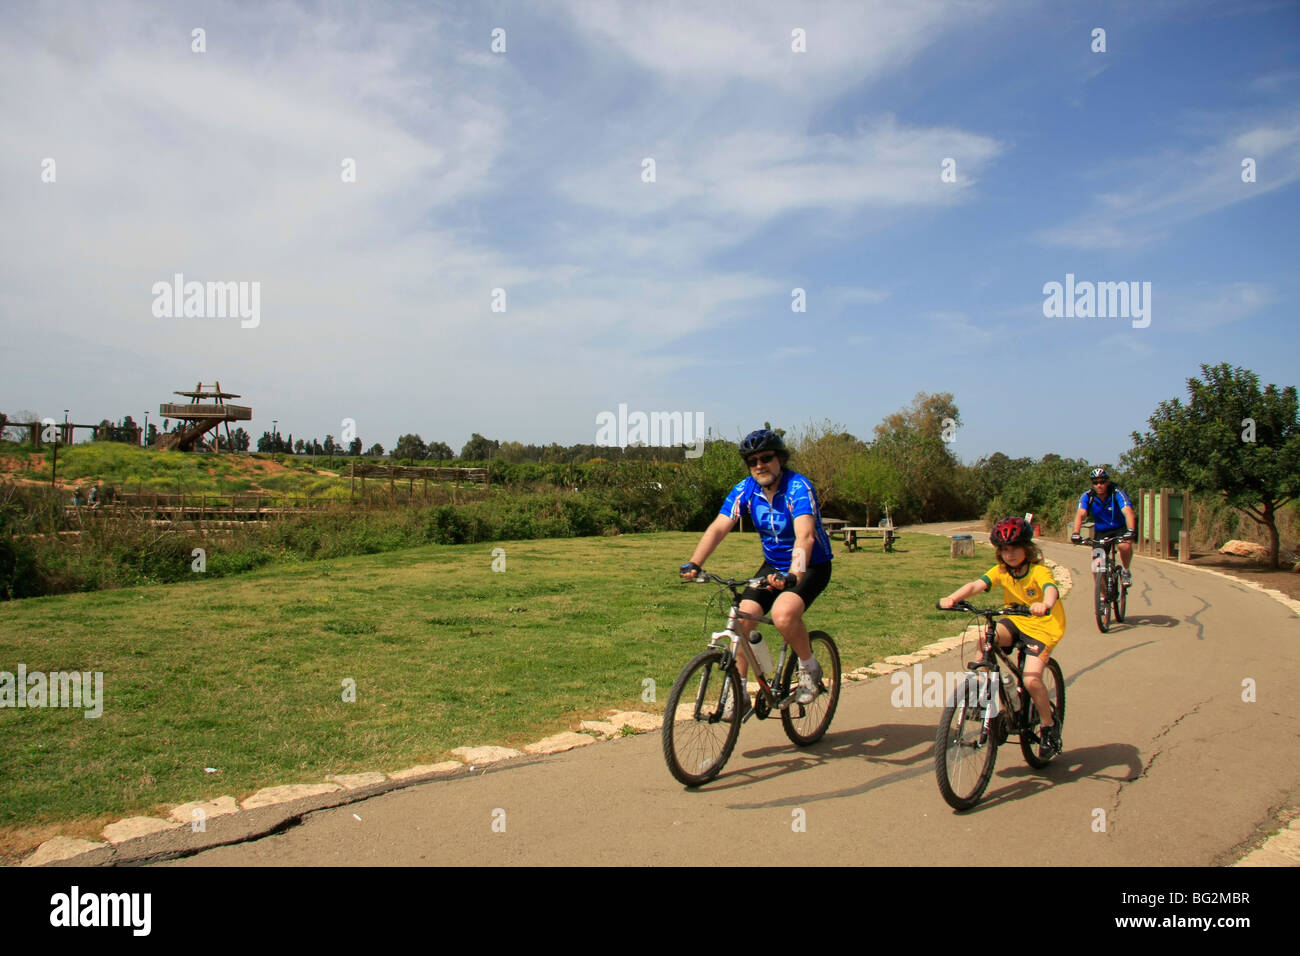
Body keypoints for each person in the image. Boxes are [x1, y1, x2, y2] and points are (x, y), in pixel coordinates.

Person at [679, 429, 834, 712]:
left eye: (766, 458)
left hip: (810, 565)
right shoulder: (745, 489)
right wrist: (695, 563)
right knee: (740, 618)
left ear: (780, 459)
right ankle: (738, 693)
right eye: (753, 461)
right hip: (773, 565)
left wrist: (793, 577)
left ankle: (809, 668)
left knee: (783, 614)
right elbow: (718, 527)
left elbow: (805, 537)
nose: (759, 465)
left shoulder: (798, 487)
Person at [939, 516, 1065, 757]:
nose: (1010, 554)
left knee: (1030, 680)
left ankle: (1049, 726)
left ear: (1027, 548)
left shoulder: (1038, 571)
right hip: (1017, 620)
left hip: (1044, 626)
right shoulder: (1001, 571)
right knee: (985, 639)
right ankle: (983, 695)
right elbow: (977, 585)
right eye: (1005, 550)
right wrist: (952, 598)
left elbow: (1051, 589)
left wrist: (1045, 604)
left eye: (1015, 548)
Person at [1070, 467, 1135, 585]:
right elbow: (1080, 514)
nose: (1099, 485)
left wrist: (1130, 530)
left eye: (1102, 482)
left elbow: (1127, 511)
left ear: (1107, 482)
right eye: (1096, 482)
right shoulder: (1088, 496)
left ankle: (1126, 571)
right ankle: (1103, 599)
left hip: (1119, 528)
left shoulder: (1117, 493)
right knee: (1097, 566)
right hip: (1101, 532)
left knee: (1124, 546)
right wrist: (1075, 533)